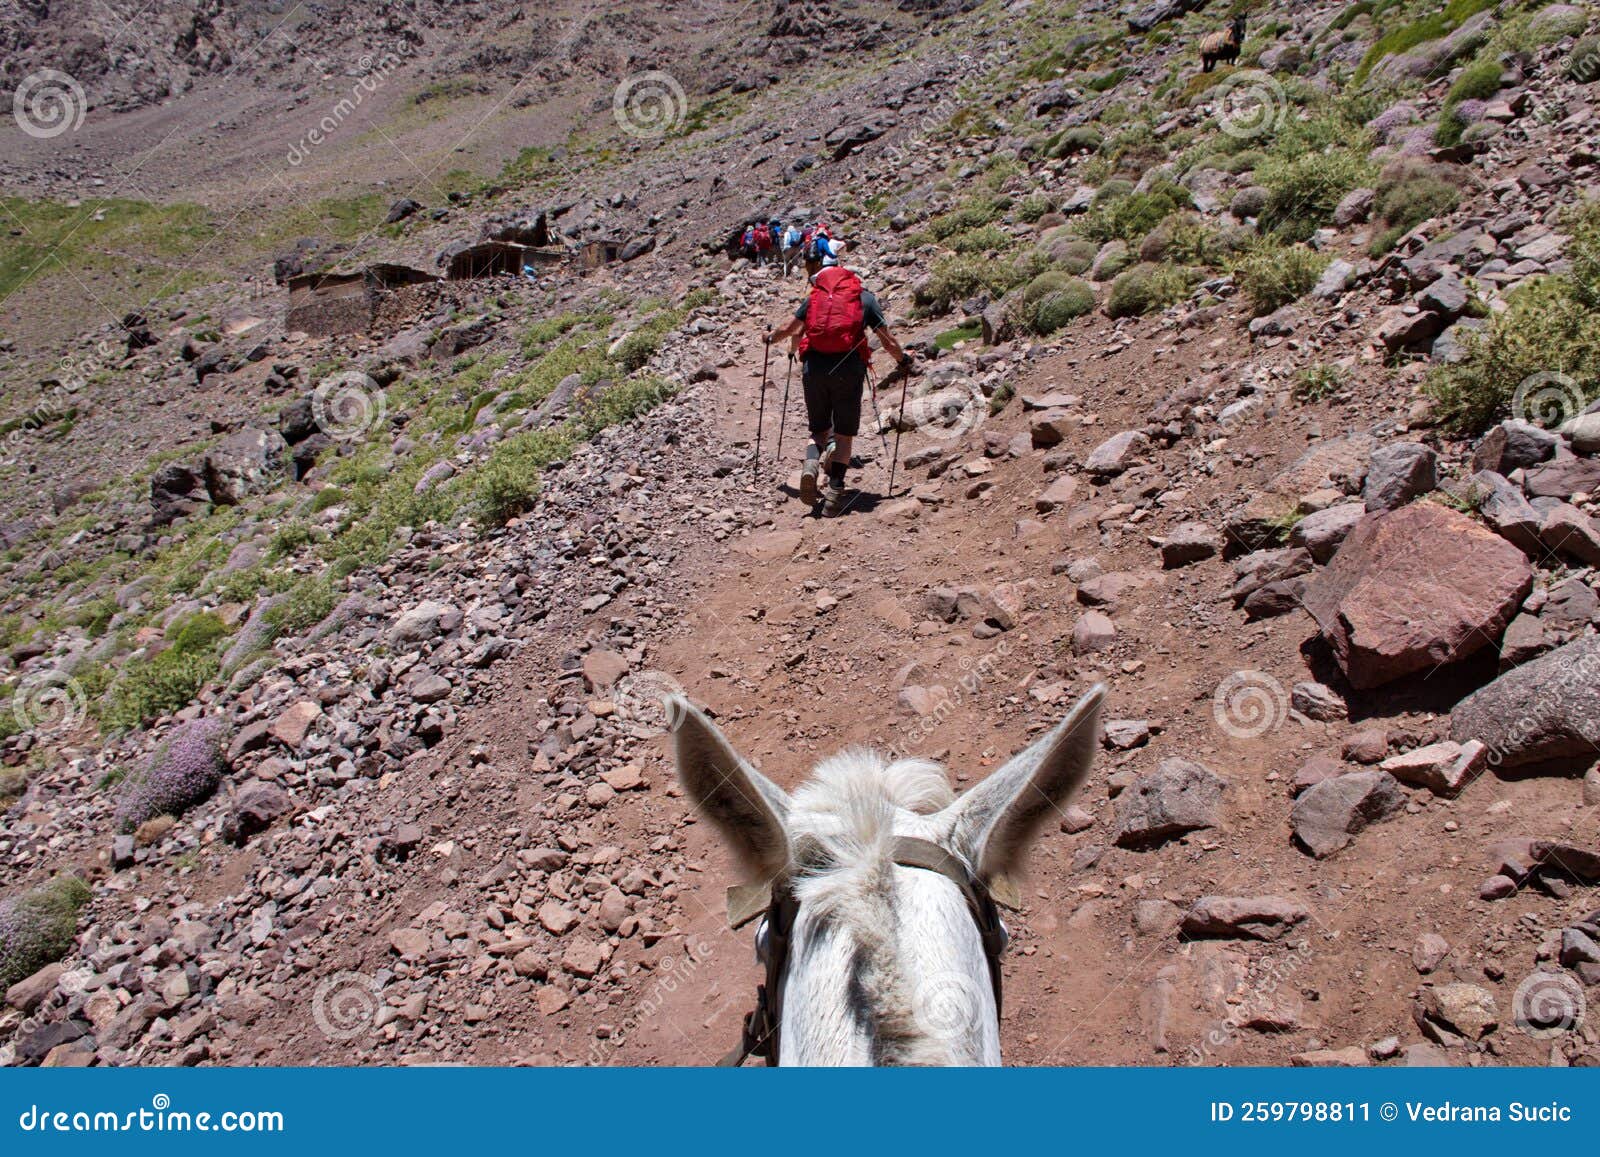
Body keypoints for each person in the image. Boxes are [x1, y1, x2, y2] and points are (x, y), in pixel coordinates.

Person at [765, 257, 912, 517]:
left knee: (819, 430)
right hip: (848, 371)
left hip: (814, 369)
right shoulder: (864, 299)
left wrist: (769, 338)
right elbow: (887, 341)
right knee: (843, 435)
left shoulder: (815, 299)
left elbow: (789, 329)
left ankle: (811, 465)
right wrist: (904, 360)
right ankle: (834, 495)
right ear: (852, 280)